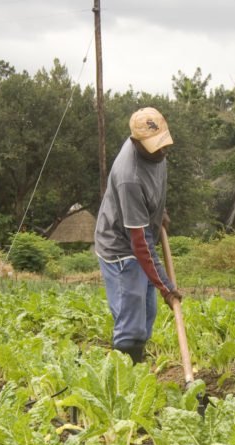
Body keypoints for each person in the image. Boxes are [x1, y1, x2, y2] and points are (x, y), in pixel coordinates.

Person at [94, 107, 182, 364]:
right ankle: (124, 378)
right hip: (120, 248)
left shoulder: (158, 151)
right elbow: (141, 245)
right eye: (155, 147)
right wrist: (166, 288)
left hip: (139, 238)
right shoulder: (128, 177)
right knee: (131, 325)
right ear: (135, 142)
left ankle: (136, 365)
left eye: (164, 143)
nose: (162, 151)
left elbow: (154, 188)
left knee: (146, 315)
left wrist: (159, 212)